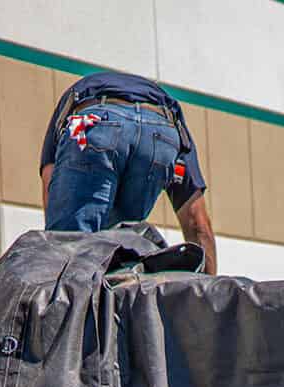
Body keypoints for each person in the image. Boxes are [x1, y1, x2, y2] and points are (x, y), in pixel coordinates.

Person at [40, 72, 217, 273]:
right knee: (124, 244)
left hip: (92, 121)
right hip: (162, 130)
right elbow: (198, 223)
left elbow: (52, 196)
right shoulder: (176, 126)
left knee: (70, 248)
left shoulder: (65, 111)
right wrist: (208, 296)